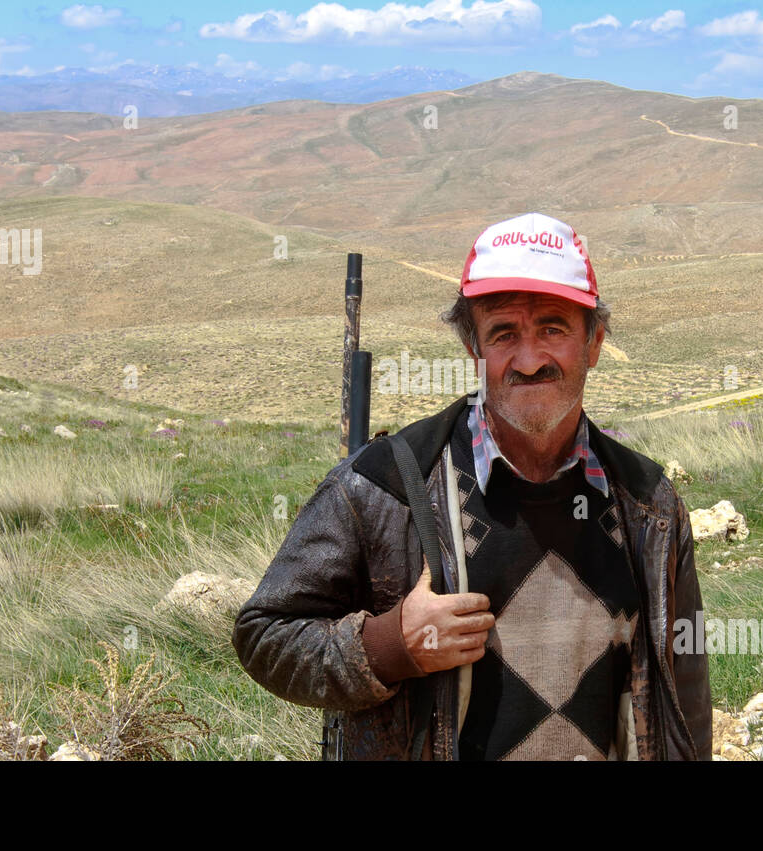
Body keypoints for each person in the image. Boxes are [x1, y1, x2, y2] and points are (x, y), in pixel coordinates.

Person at [232, 212, 711, 760]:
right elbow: (264, 635)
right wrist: (391, 646)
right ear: (473, 348)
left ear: (594, 342)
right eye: (504, 333)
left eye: (553, 328)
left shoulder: (649, 504)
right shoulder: (380, 487)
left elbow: (685, 687)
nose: (529, 360)